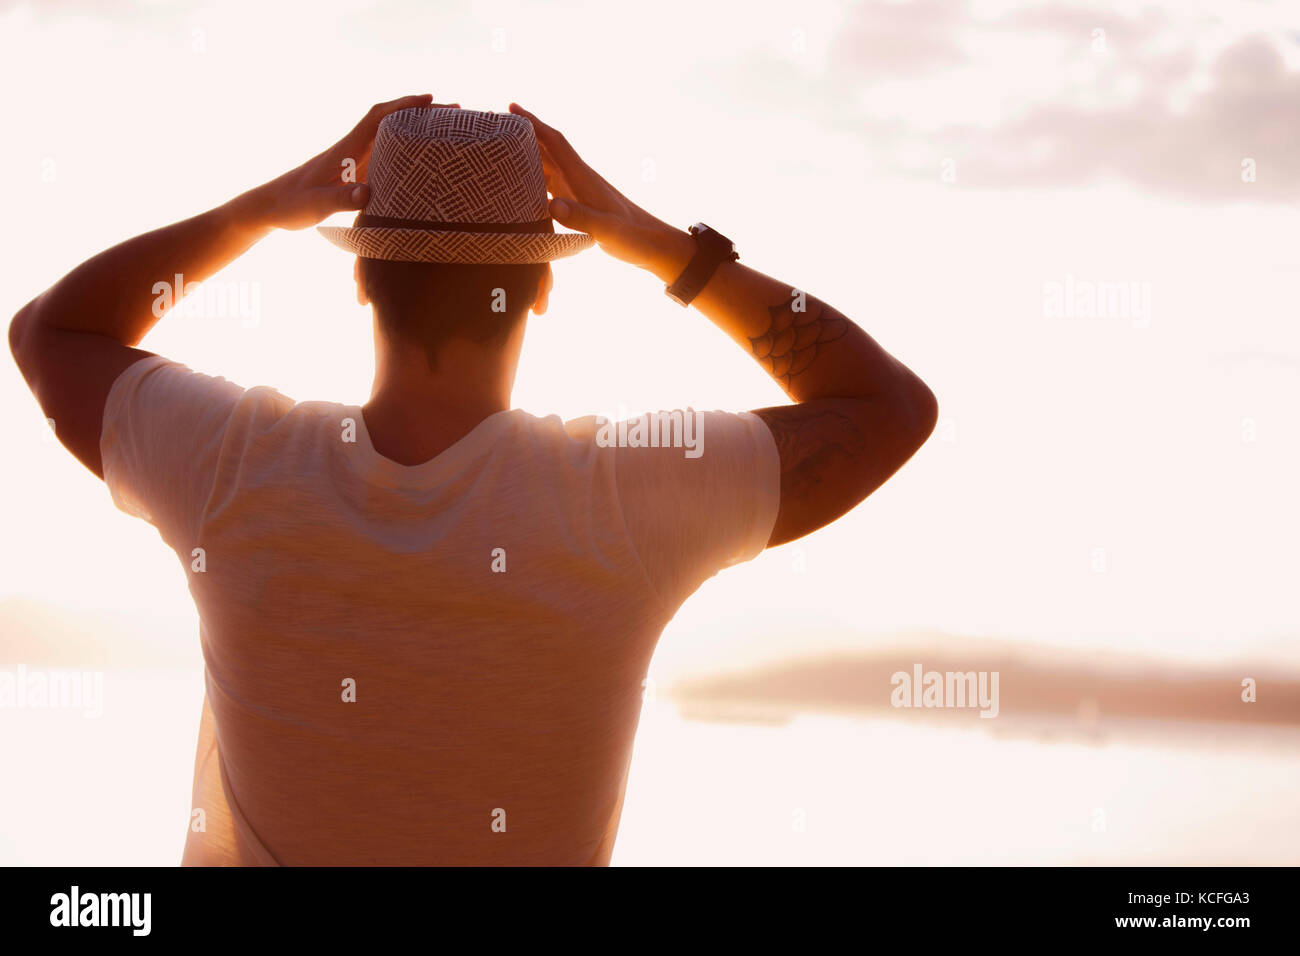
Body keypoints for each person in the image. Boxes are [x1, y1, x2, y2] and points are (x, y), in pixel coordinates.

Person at [8, 94, 937, 865]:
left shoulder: (232, 463)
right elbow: (887, 409)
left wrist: (263, 209)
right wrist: (662, 246)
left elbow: (51, 334)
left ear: (361, 277)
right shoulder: (622, 500)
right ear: (540, 288)